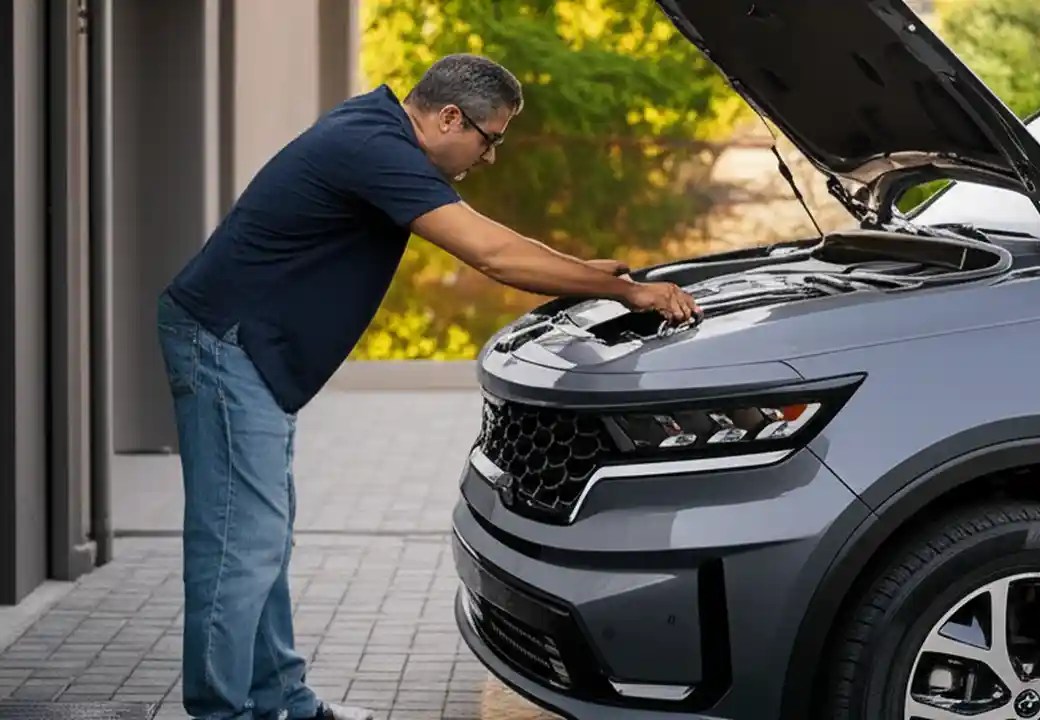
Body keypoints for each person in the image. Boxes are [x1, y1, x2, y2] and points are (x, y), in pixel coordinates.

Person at [155, 53, 699, 720]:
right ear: (449, 116)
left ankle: (282, 700)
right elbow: (491, 254)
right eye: (489, 138)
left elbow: (496, 239)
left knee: (262, 535)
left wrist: (583, 271)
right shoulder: (372, 147)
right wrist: (622, 288)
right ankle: (224, 711)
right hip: (225, 344)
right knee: (240, 543)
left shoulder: (379, 132)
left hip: (246, 350)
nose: (489, 155)